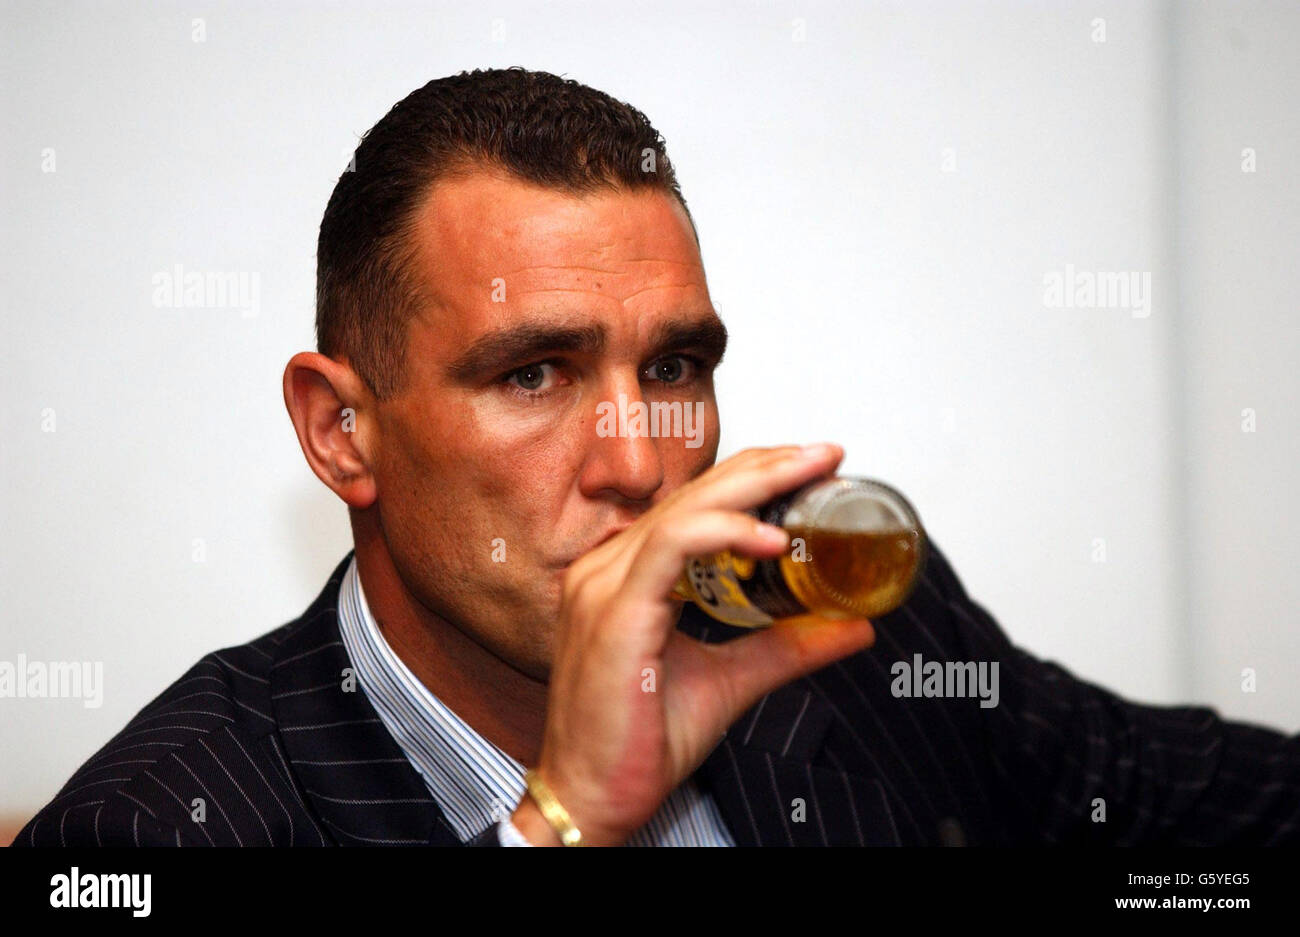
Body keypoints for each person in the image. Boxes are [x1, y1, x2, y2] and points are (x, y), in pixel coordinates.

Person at [16, 67, 1300, 847]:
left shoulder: (838, 632)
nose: (639, 464)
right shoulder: (155, 824)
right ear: (340, 430)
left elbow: (1188, 818)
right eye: (533, 374)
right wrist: (562, 818)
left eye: (674, 368)